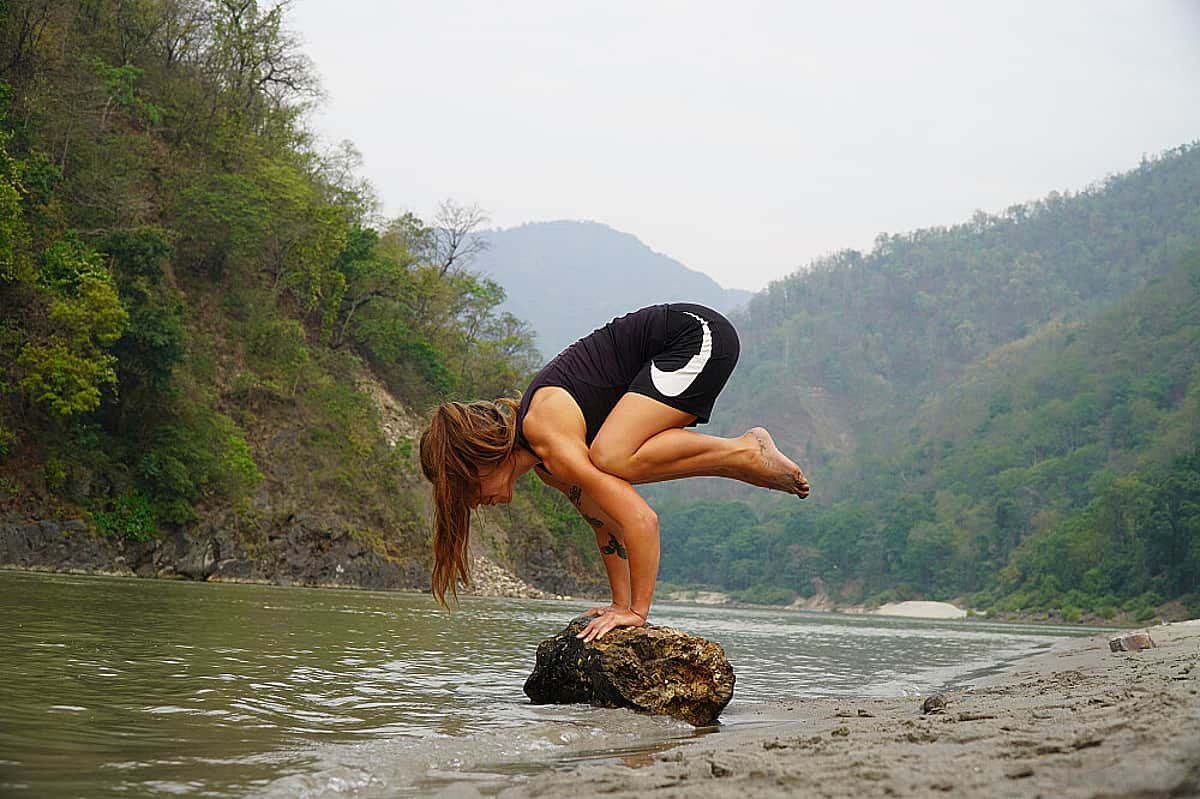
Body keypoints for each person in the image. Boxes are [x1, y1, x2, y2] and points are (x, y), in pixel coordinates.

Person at [419, 303, 809, 643]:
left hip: (696, 335)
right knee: (609, 459)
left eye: (466, 488)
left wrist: (637, 613)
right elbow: (606, 524)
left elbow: (640, 519)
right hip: (681, 344)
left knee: (611, 456)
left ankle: (744, 451)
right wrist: (618, 605)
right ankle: (742, 455)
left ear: (480, 459)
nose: (473, 503)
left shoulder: (547, 436)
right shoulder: (548, 467)